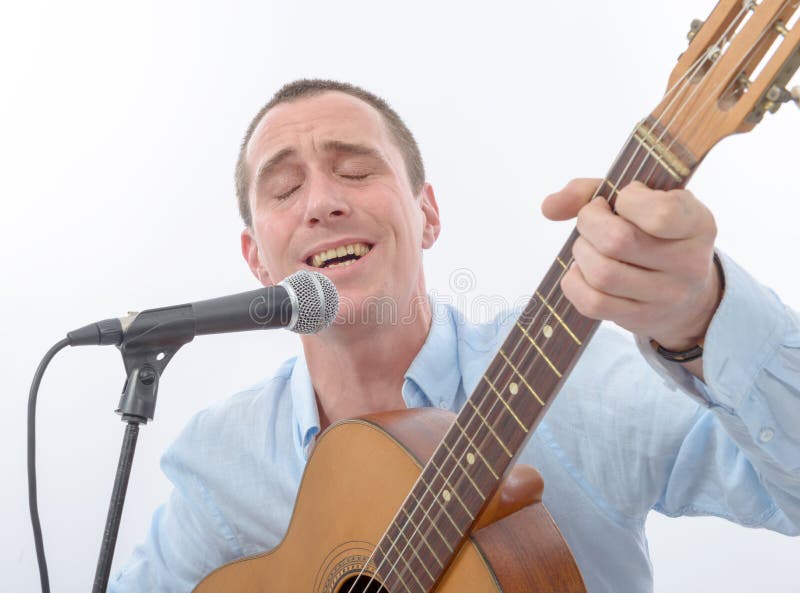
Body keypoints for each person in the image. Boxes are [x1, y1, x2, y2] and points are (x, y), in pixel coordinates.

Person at [107, 79, 800, 593]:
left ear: (428, 216)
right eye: (284, 189)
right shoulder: (221, 461)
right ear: (257, 260)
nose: (321, 202)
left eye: (356, 170)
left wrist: (702, 317)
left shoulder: (578, 383)